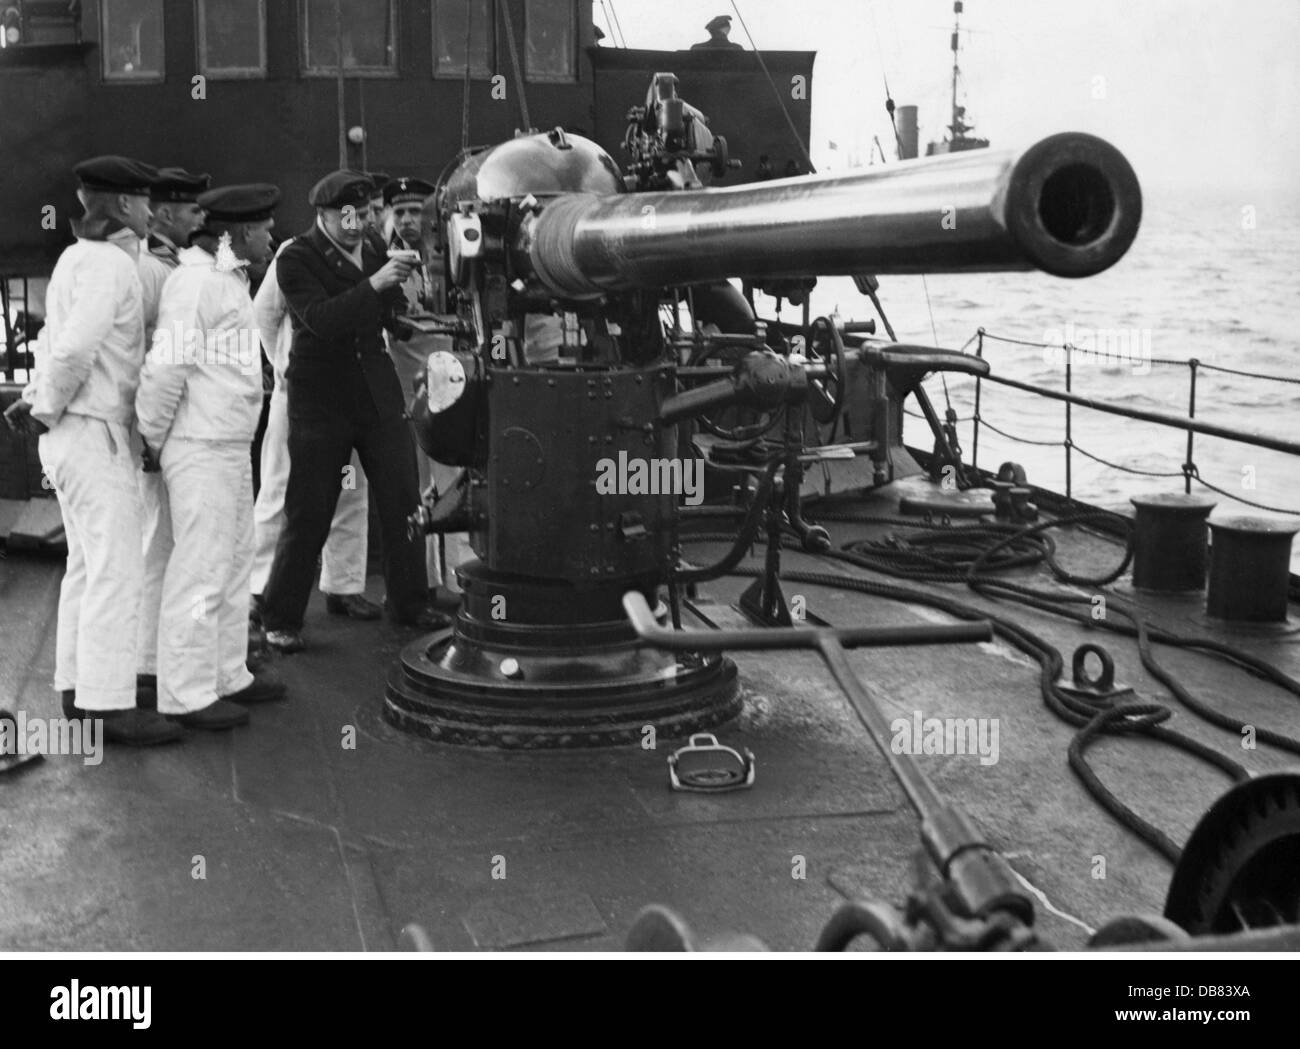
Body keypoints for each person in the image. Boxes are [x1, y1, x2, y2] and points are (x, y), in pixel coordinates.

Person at [1, 156, 181, 745]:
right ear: (124, 207)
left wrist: (34, 398)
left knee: (85, 565)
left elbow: (56, 342)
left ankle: (78, 690)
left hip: (70, 435)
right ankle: (109, 704)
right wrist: (44, 403)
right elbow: (76, 347)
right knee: (115, 569)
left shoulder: (74, 258)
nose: (152, 210)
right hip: (93, 428)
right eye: (145, 201)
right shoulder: (109, 264)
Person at [258, 170, 450, 652]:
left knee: (402, 495)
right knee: (310, 507)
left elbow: (382, 315)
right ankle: (280, 615)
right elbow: (321, 320)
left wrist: (414, 315)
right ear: (321, 215)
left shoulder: (372, 250)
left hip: (376, 388)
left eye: (365, 215)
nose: (357, 223)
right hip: (321, 394)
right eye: (347, 215)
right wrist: (378, 282)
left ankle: (408, 601)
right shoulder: (297, 257)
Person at [135, 184, 288, 729]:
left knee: (231, 561)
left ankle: (227, 673)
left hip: (225, 444)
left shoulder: (225, 278)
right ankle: (186, 691)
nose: (272, 237)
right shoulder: (197, 283)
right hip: (199, 446)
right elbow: (166, 365)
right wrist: (149, 438)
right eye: (266, 229)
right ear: (242, 234)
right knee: (199, 570)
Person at [250, 232, 378, 621]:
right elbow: (264, 313)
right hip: (300, 398)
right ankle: (259, 588)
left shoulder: (373, 253)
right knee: (280, 491)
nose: (360, 215)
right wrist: (283, 363)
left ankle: (344, 585)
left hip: (352, 398)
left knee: (351, 491)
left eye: (367, 205)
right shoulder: (296, 252)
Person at [136, 166, 210, 705]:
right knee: (159, 544)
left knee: (161, 545)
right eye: (191, 209)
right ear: (164, 213)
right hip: (161, 425)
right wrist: (153, 435)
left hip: (162, 423)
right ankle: (150, 664)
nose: (200, 217)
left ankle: (153, 658)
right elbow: (159, 357)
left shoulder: (164, 264)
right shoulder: (159, 270)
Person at [382, 176, 472, 602]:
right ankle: (425, 579)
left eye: (415, 211)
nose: (407, 220)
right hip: (405, 386)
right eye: (399, 212)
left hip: (448, 377)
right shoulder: (381, 262)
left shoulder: (452, 256)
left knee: (453, 475)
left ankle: (458, 573)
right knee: (414, 481)